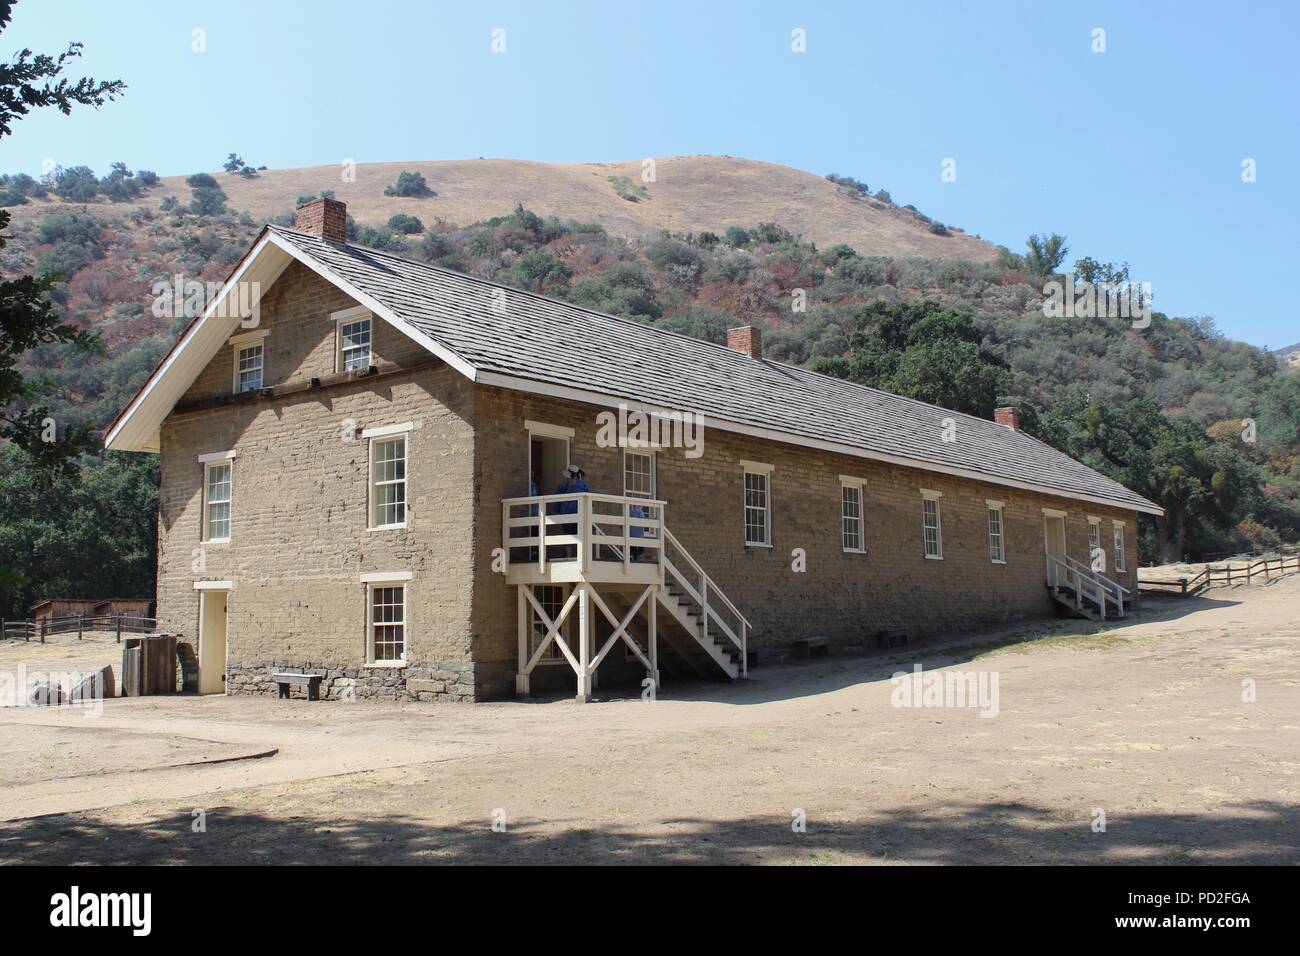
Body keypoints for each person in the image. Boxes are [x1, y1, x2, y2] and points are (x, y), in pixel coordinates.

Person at [553, 464, 589, 560]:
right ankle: (570, 555)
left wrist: (557, 509)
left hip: (574, 513)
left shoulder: (579, 485)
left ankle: (574, 555)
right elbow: (557, 496)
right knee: (570, 534)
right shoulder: (569, 485)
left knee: (573, 534)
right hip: (571, 513)